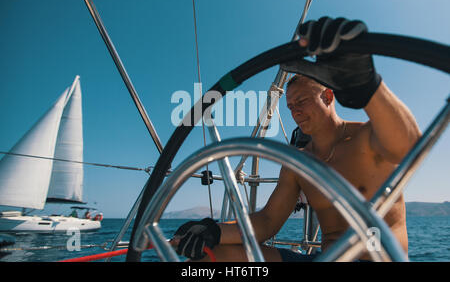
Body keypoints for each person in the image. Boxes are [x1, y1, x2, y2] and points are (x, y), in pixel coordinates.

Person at [172, 17, 421, 262]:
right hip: (327, 258)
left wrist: (368, 88)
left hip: (378, 258)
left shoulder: (366, 137)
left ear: (328, 96)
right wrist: (213, 231)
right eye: (290, 106)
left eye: (301, 101)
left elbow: (409, 147)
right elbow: (268, 221)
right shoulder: (298, 162)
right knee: (219, 257)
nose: (295, 112)